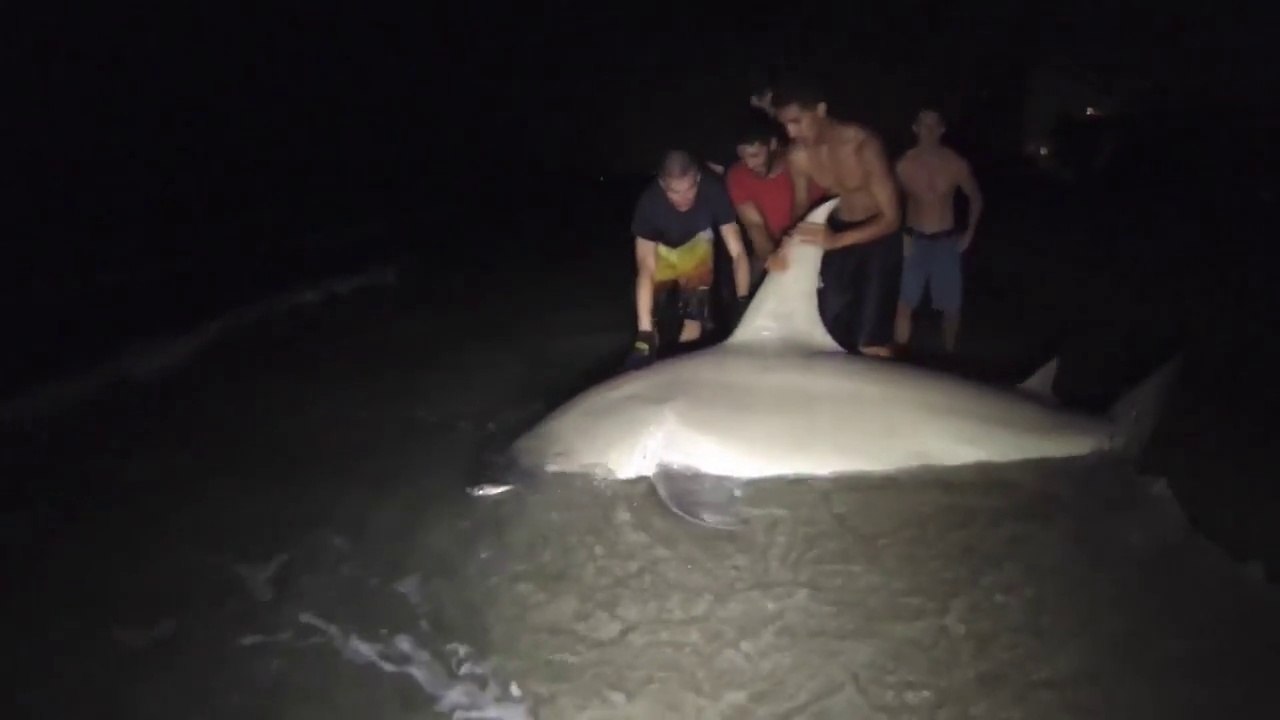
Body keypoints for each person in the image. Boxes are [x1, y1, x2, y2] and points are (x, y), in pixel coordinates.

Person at [767, 81, 902, 358]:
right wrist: (784, 250)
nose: (791, 133)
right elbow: (801, 212)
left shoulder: (863, 145)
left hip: (877, 237)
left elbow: (892, 218)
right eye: (785, 125)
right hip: (835, 233)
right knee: (828, 330)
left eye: (797, 122)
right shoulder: (799, 155)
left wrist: (837, 240)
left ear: (821, 110)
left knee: (871, 341)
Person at [625, 150, 752, 369]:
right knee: (652, 318)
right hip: (661, 251)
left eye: (690, 188)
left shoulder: (713, 191)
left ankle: (684, 363)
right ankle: (651, 346)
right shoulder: (649, 203)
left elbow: (738, 252)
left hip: (696, 245)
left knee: (696, 311)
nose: (684, 198)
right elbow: (646, 268)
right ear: (663, 185)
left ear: (698, 179)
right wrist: (644, 332)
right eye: (675, 192)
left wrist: (743, 300)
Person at [893, 108, 984, 353]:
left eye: (934, 125)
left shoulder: (955, 163)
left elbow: (975, 197)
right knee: (904, 305)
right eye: (924, 125)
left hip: (947, 242)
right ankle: (898, 360)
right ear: (915, 129)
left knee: (951, 308)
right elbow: (891, 202)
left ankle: (948, 358)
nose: (929, 131)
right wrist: (901, 234)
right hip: (915, 241)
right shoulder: (904, 164)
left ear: (942, 129)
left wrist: (969, 233)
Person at [725, 111, 824, 281]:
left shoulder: (800, 162)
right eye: (742, 157)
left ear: (772, 144)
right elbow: (755, 227)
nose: (749, 164)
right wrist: (773, 256)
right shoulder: (737, 176)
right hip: (774, 246)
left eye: (755, 155)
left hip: (816, 241)